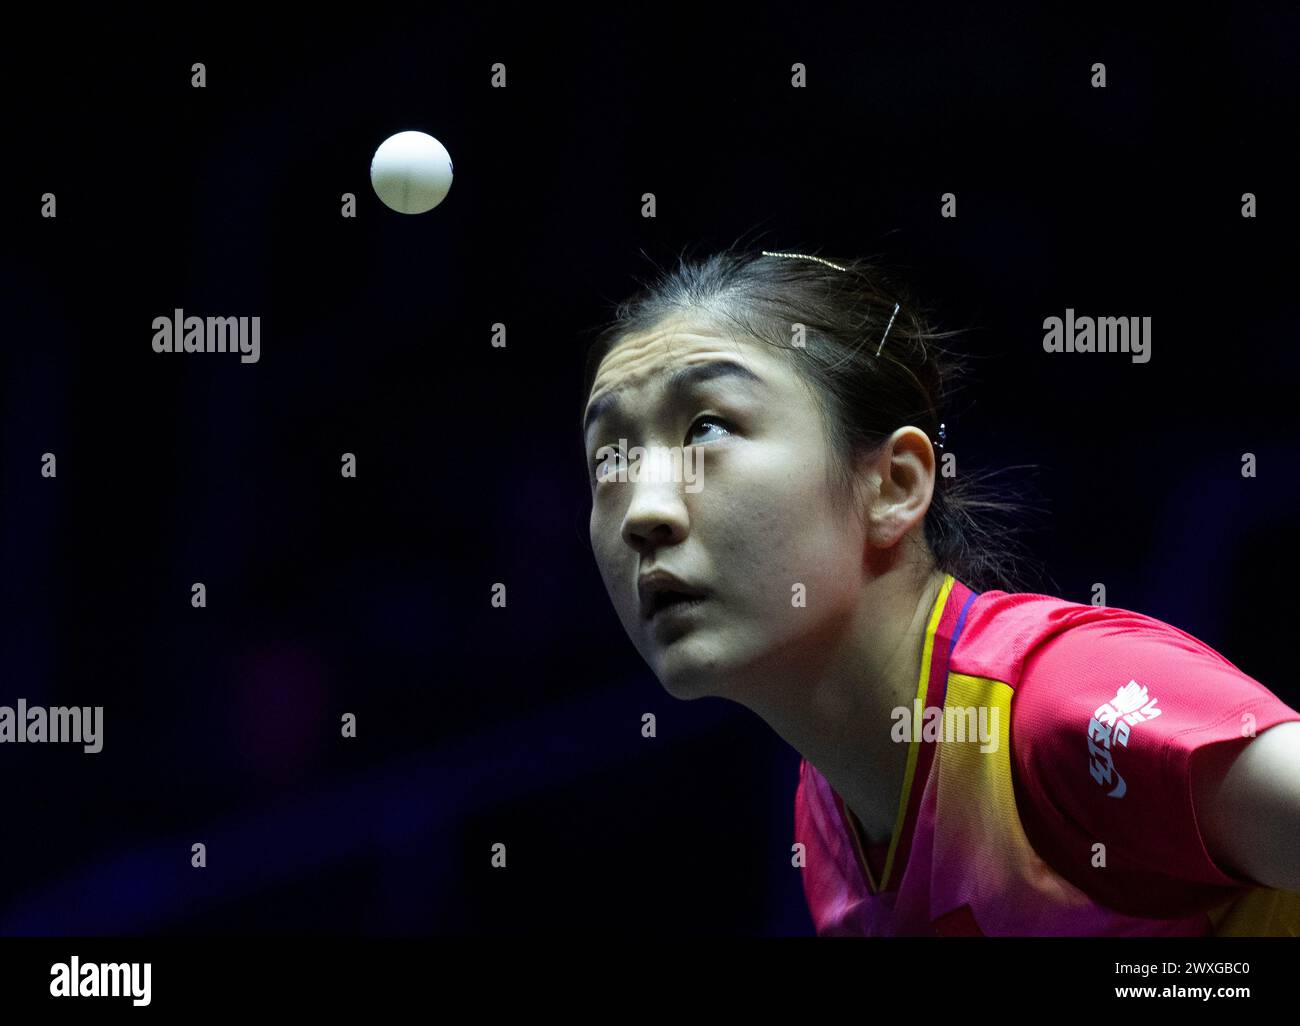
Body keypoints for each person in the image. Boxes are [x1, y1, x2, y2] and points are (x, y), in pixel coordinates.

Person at [579, 242, 1300, 936]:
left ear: (893, 485)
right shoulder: (831, 812)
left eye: (708, 427)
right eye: (611, 457)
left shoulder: (1059, 710)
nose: (645, 511)